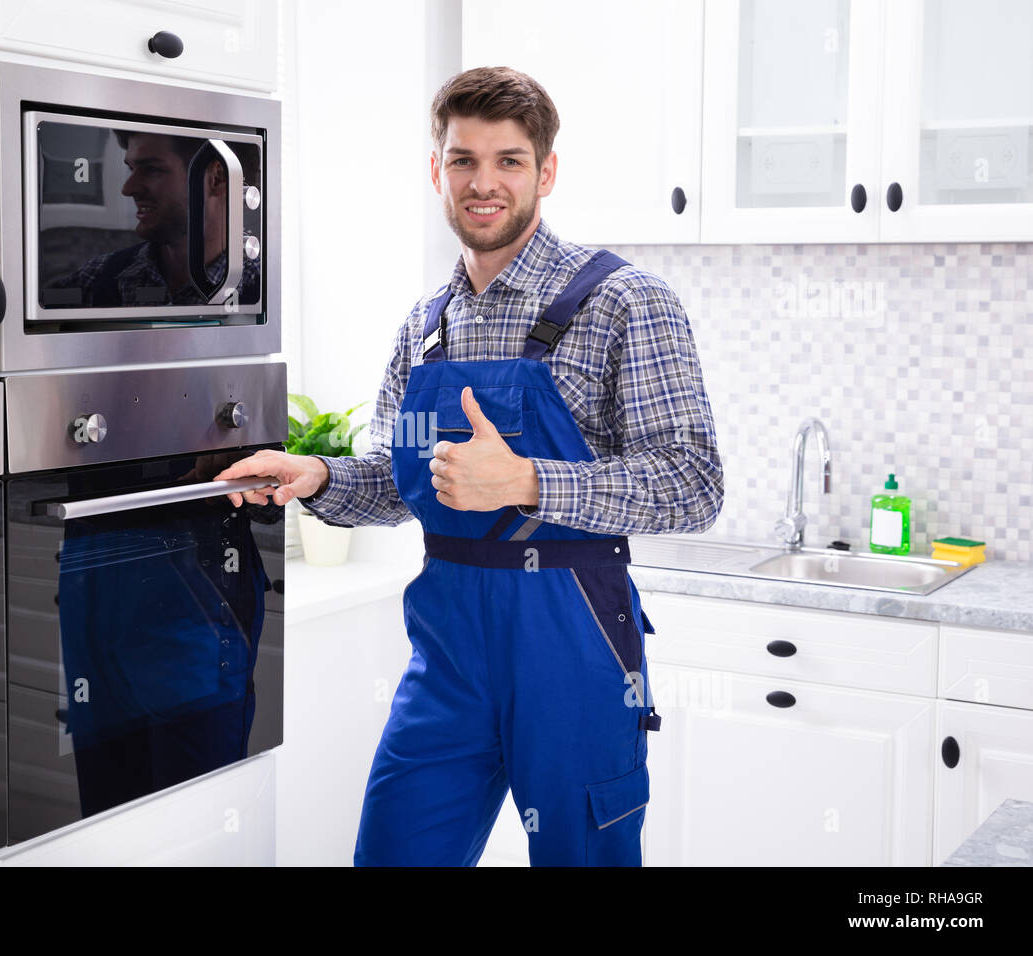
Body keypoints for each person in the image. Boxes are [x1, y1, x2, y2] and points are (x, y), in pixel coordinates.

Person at [212, 66, 724, 866]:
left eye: (509, 161)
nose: (483, 183)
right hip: (447, 651)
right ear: (436, 172)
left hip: (573, 646)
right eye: (463, 161)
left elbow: (694, 483)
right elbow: (401, 482)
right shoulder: (425, 326)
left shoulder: (626, 302)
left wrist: (526, 482)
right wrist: (317, 477)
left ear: (545, 172)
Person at [45, 129, 260, 308]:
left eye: (152, 170)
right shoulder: (97, 277)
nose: (128, 189)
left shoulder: (271, 289)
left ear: (218, 178)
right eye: (131, 169)